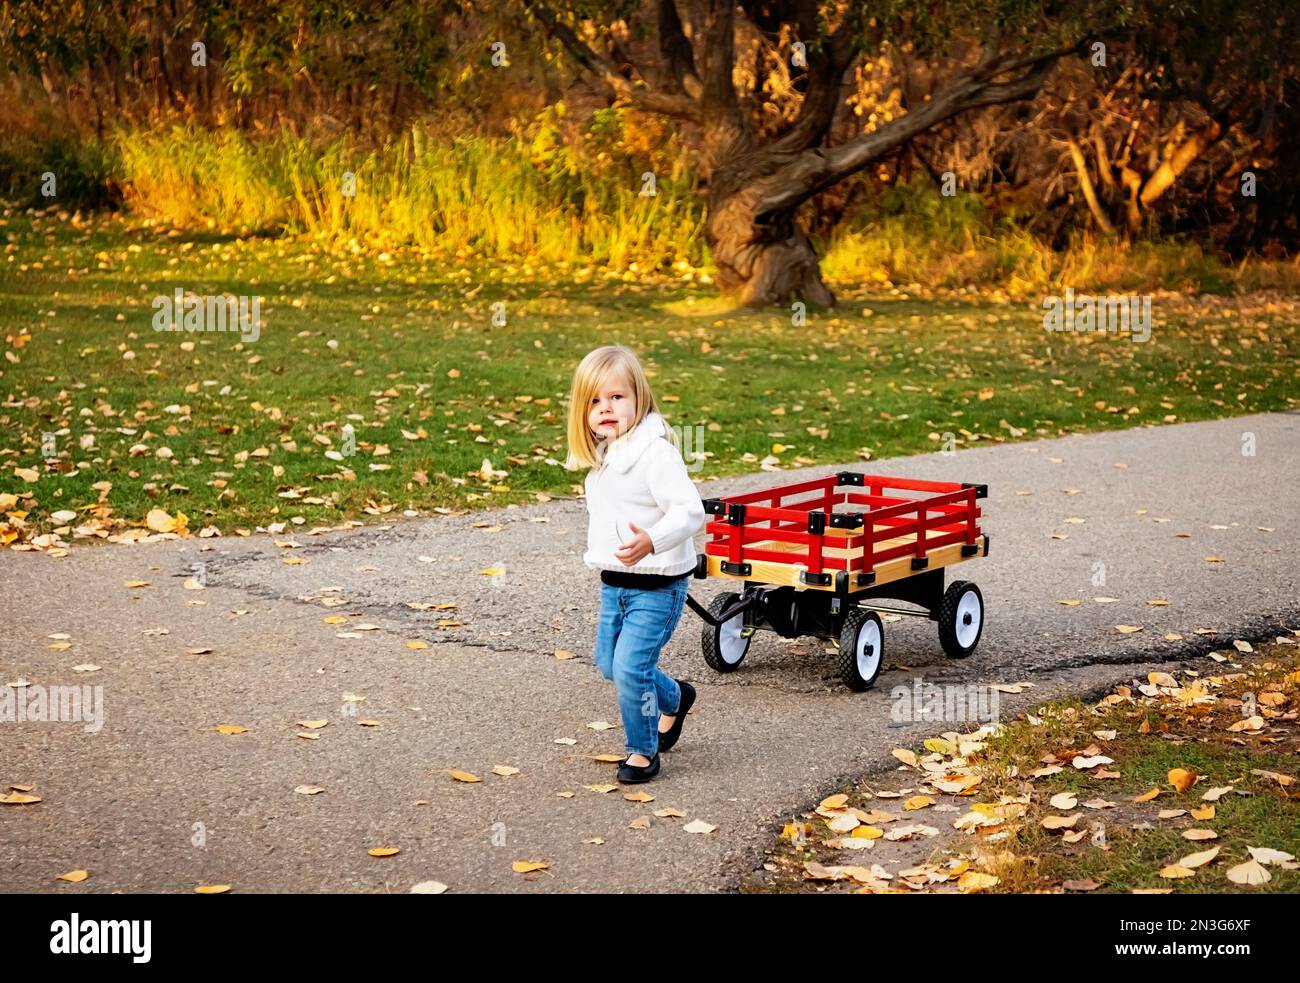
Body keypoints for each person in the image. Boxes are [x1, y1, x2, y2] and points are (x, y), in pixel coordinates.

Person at [564, 345, 706, 783]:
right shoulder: (608, 455)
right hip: (615, 585)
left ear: (639, 399)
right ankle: (675, 697)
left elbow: (690, 511)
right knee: (611, 665)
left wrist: (653, 540)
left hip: (657, 587)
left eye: (616, 397)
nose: (605, 408)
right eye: (594, 400)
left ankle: (642, 752)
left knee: (630, 669)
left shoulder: (654, 454)